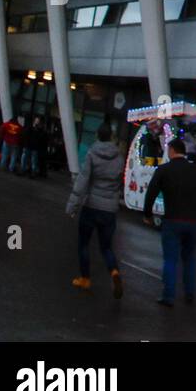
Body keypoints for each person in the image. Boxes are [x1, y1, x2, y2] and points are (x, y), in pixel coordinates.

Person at [142, 136, 196, 306]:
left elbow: (151, 192)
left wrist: (147, 214)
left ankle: (169, 296)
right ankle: (189, 293)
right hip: (193, 222)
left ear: (172, 150)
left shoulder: (164, 170)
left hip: (172, 219)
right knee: (189, 258)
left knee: (170, 259)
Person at [67, 123, 124, 298]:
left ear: (98, 135)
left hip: (92, 205)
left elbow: (83, 180)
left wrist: (73, 205)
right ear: (111, 137)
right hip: (109, 209)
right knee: (106, 246)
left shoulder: (92, 153)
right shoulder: (119, 157)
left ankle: (85, 278)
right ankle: (113, 271)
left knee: (84, 243)